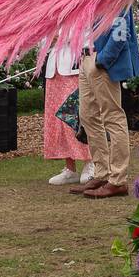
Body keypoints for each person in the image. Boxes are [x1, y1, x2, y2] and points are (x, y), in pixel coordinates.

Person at [74, 7, 139, 198]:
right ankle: (101, 173)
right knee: (87, 116)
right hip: (86, 59)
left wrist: (103, 60)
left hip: (99, 61)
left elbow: (121, 31)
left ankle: (118, 180)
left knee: (113, 116)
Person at [43, 41, 94, 186]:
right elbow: (42, 41)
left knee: (77, 116)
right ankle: (70, 169)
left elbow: (86, 35)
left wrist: (60, 35)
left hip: (74, 66)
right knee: (58, 121)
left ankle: (90, 162)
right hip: (55, 69)